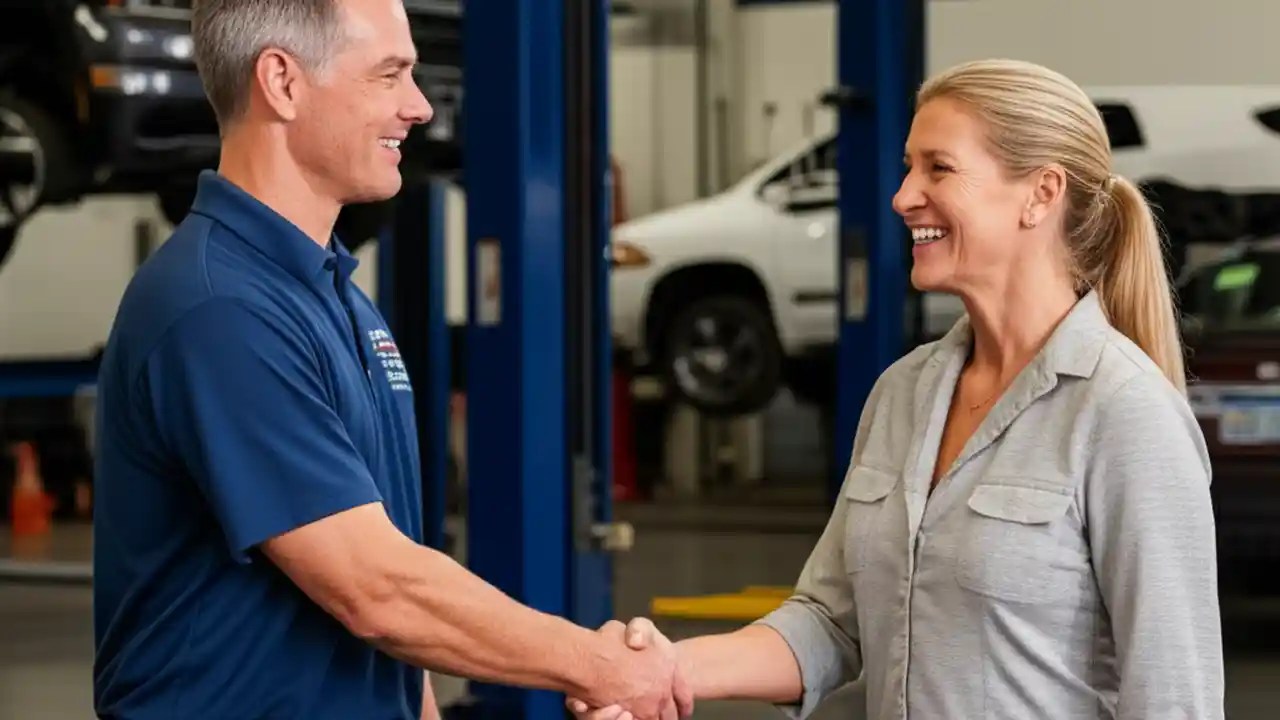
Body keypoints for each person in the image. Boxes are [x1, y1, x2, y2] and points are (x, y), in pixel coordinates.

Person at [568, 58, 1226, 720]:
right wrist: (665, 671)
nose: (903, 195)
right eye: (910, 166)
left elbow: (1175, 698)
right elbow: (830, 622)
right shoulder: (904, 393)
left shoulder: (1123, 411)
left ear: (1041, 193)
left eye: (938, 168)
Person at [91, 1, 691, 719]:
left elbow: (395, 596)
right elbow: (377, 590)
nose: (416, 108)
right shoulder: (219, 309)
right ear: (282, 81)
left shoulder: (334, 296)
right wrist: (598, 668)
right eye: (389, 75)